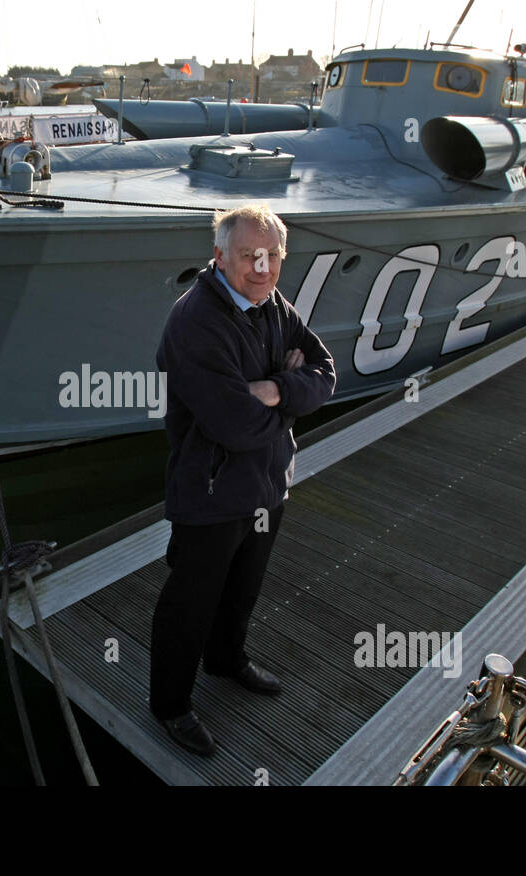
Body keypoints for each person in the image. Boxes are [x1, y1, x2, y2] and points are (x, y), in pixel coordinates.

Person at [151, 203, 336, 756]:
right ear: (219, 257)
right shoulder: (195, 323)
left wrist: (274, 388)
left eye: (272, 255)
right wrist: (290, 388)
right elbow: (233, 424)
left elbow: (326, 374)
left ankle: (226, 660)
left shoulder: (275, 305)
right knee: (190, 602)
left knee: (243, 588)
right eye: (247, 255)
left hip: (268, 483)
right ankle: (170, 705)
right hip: (210, 493)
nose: (261, 266)